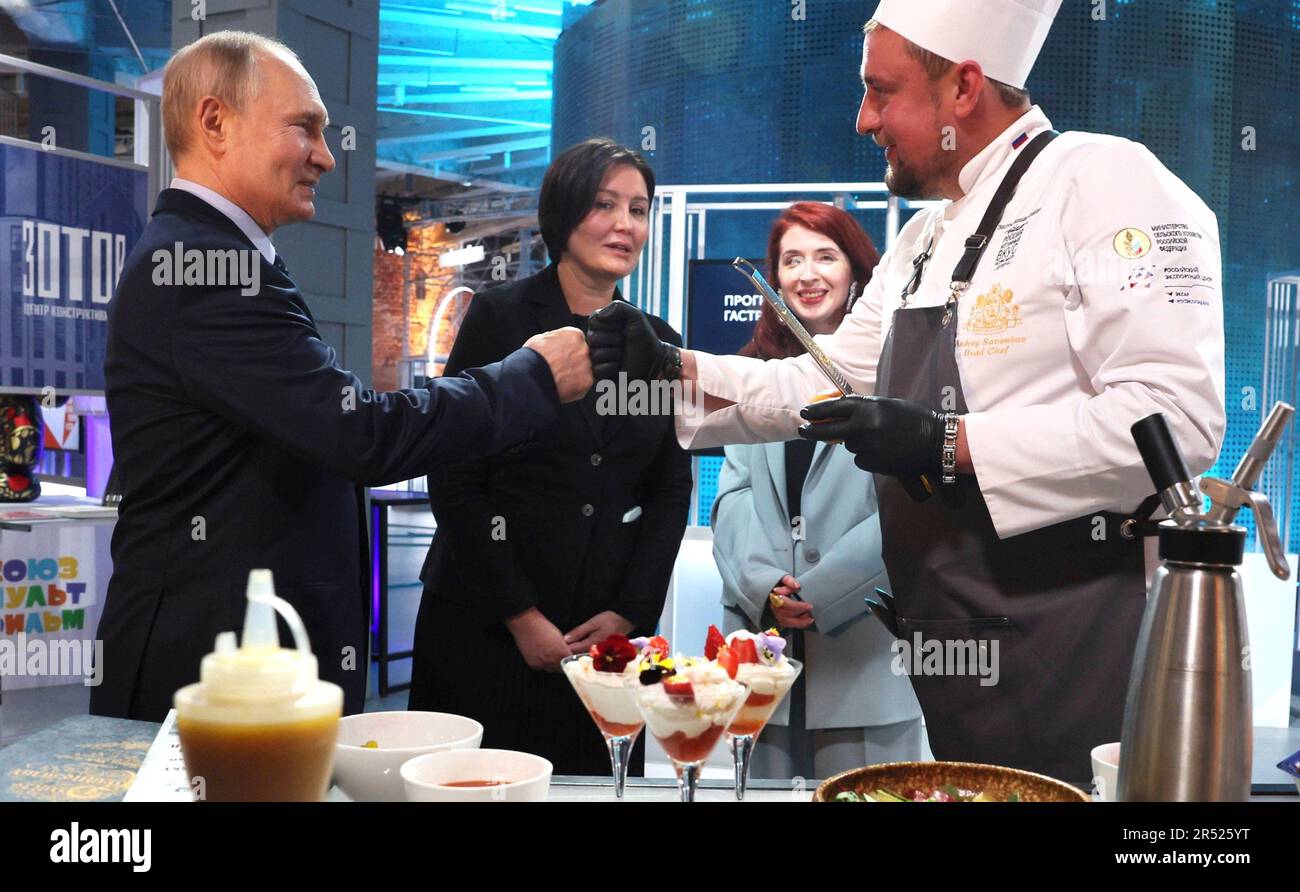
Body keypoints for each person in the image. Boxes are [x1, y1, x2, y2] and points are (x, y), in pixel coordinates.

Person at [589, 0, 1226, 784]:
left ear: (962, 87)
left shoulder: (1108, 183)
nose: (863, 119)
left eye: (880, 91)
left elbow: (1175, 422)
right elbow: (813, 384)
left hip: (1075, 646)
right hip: (955, 650)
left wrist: (947, 443)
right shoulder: (924, 241)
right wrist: (674, 368)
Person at [93, 32, 592, 722]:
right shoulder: (202, 269)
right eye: (305, 127)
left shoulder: (220, 259)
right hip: (211, 678)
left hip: (237, 666)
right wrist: (531, 378)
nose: (327, 156)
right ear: (215, 122)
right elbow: (357, 433)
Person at [408, 139, 693, 775]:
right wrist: (520, 614)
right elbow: (454, 475)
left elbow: (672, 487)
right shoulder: (501, 317)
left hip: (606, 642)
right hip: (485, 623)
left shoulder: (661, 341)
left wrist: (629, 610)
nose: (625, 224)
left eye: (639, 209)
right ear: (563, 215)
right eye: (604, 205)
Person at [710, 202, 924, 779]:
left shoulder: (900, 371)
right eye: (791, 260)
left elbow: (908, 502)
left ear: (857, 271)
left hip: (865, 652)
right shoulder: (753, 373)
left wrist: (823, 589)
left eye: (825, 256)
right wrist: (763, 583)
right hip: (760, 650)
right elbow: (731, 497)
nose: (808, 274)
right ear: (774, 277)